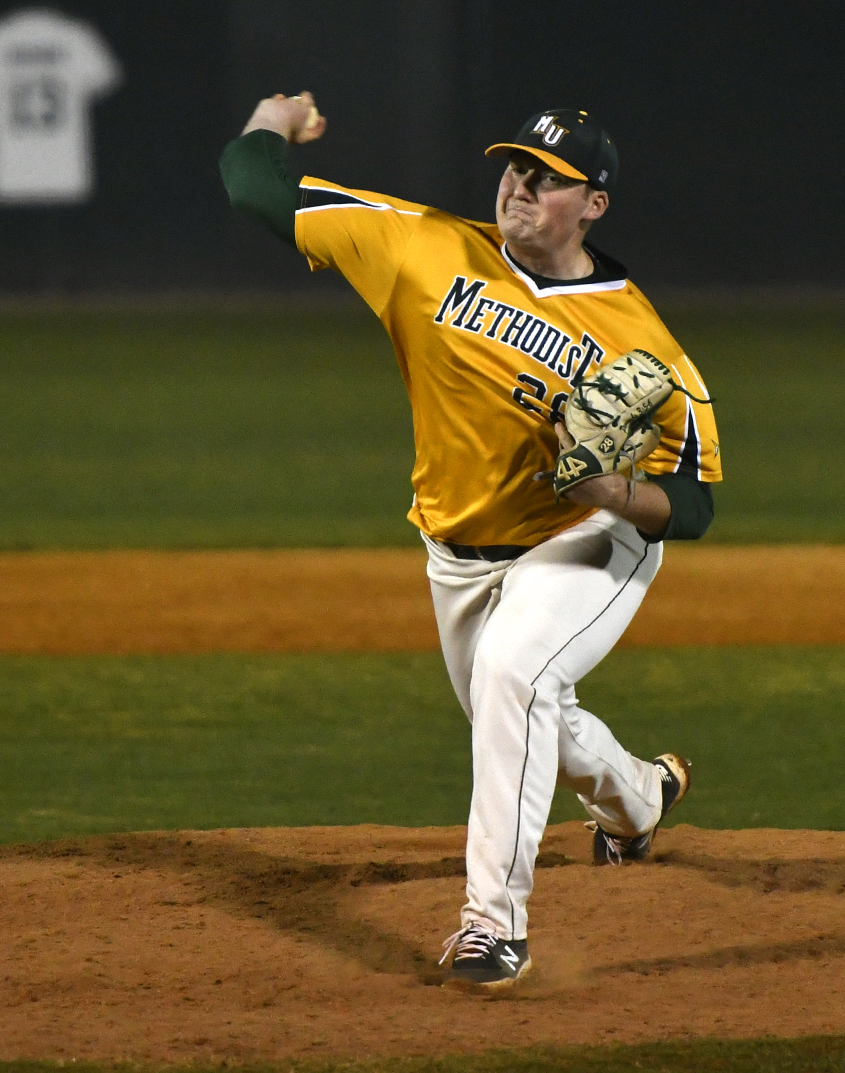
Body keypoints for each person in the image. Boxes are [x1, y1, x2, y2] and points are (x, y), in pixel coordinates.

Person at [219, 93, 723, 991]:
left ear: (594, 204)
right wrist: (271, 120)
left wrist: (616, 491)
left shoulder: (639, 337)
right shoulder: (421, 246)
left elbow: (697, 500)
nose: (520, 186)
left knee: (513, 677)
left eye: (550, 179)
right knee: (523, 712)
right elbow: (256, 189)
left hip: (589, 539)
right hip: (456, 549)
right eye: (514, 167)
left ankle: (494, 928)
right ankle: (639, 800)